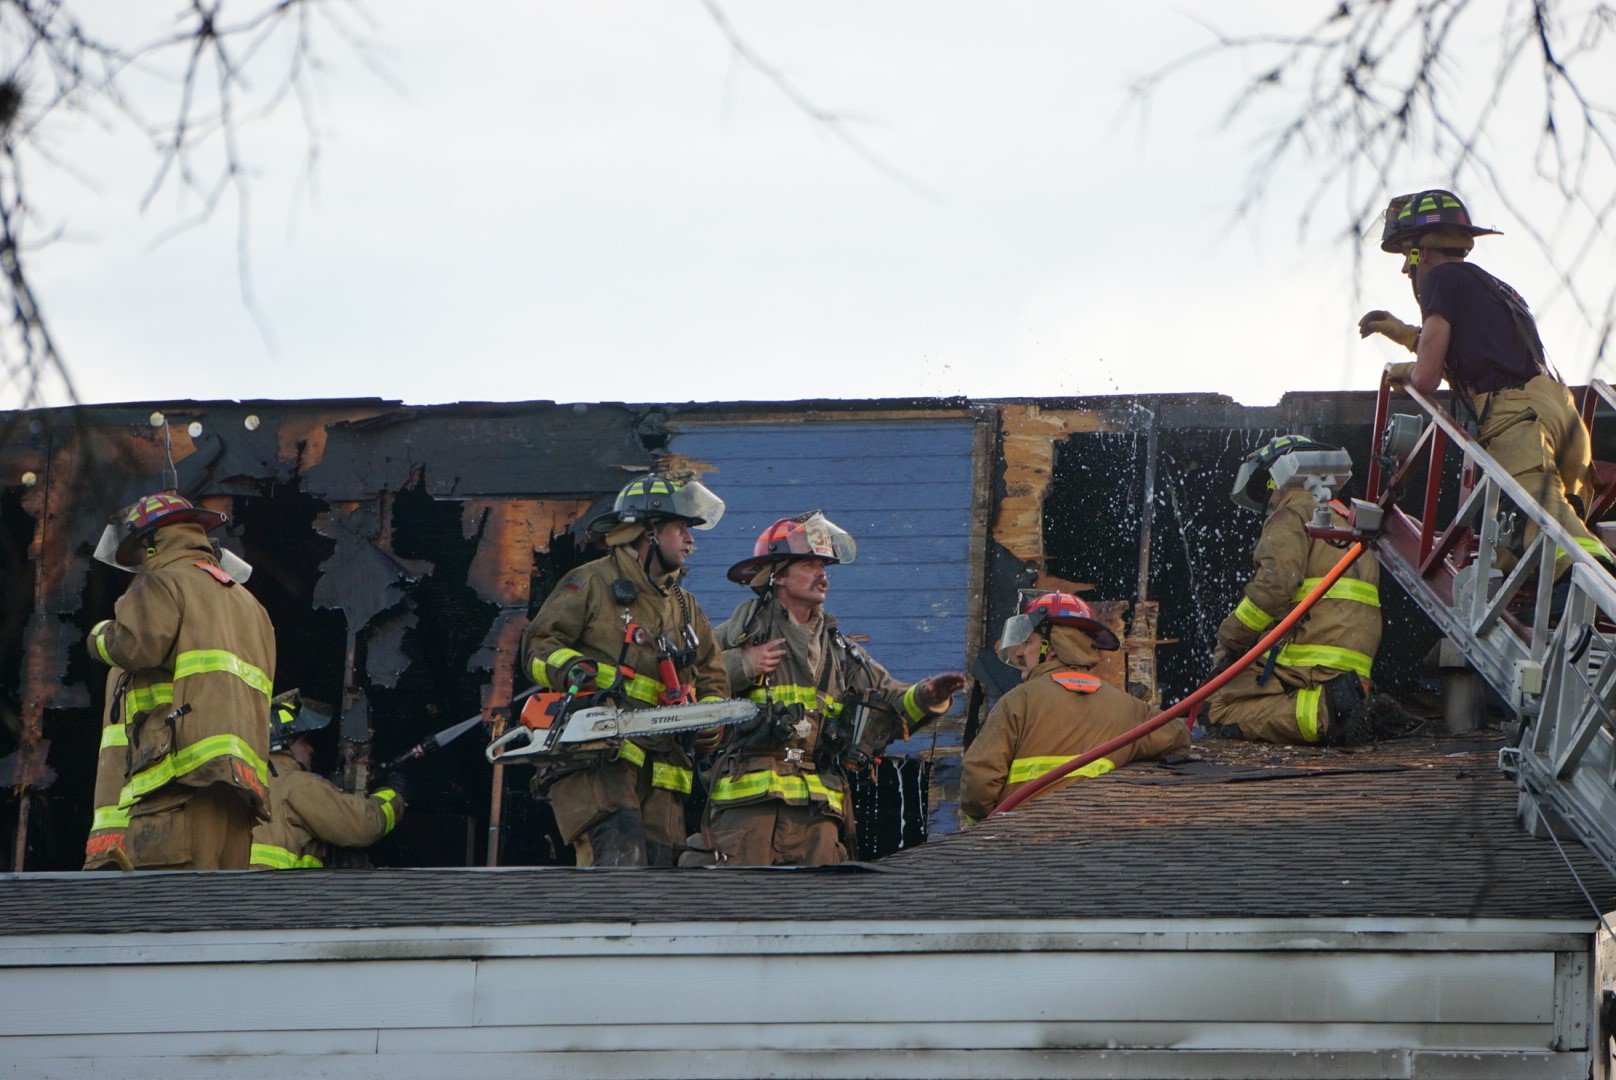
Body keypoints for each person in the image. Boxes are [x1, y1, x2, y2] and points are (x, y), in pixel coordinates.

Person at [1359, 187, 1609, 580]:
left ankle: (1596, 584)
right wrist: (1407, 334)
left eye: (1408, 260)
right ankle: (1571, 587)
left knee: (1546, 527)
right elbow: (1472, 349)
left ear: (1419, 251)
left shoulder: (1440, 279)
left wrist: (1406, 370)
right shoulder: (1490, 286)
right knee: (1520, 544)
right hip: (1562, 416)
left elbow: (1427, 377)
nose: (1407, 272)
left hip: (1516, 418)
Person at [699, 511, 966, 866]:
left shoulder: (840, 653)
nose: (822, 573)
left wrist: (930, 696)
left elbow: (890, 702)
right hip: (748, 813)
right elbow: (688, 688)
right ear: (778, 575)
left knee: (816, 913)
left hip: (818, 816)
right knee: (744, 909)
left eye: (824, 565)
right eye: (810, 564)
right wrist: (742, 665)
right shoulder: (738, 635)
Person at [519, 473, 730, 867]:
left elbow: (712, 677)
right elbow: (537, 648)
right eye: (681, 528)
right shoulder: (592, 582)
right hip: (600, 760)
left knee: (659, 884)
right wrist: (577, 670)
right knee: (619, 862)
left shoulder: (686, 608)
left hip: (663, 772)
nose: (691, 541)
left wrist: (709, 720)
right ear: (647, 531)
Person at [82, 492, 276, 870]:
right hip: (237, 788)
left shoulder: (161, 581)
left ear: (151, 543)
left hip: (177, 782)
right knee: (218, 916)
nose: (137, 564)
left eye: (137, 553)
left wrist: (99, 636)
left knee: (166, 911)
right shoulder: (250, 605)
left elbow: (137, 647)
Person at [1206, 435, 1382, 745]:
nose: (1269, 501)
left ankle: (1324, 713)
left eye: (1269, 491)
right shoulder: (1347, 521)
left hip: (1308, 665)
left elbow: (1274, 588)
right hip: (1351, 669)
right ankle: (1352, 702)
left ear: (1281, 477)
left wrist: (1230, 640)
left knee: (1218, 704)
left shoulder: (1291, 515)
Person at [959, 592, 1188, 824]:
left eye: (1028, 642)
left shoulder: (1018, 702)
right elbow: (1178, 735)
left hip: (1021, 842)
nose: (1018, 653)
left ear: (1054, 646)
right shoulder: (1129, 709)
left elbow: (978, 789)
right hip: (1092, 839)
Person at [249, 690, 405, 869]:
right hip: (281, 893)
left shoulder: (243, 781)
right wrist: (395, 795)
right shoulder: (296, 783)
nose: (310, 749)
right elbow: (363, 826)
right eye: (304, 741)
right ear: (282, 743)